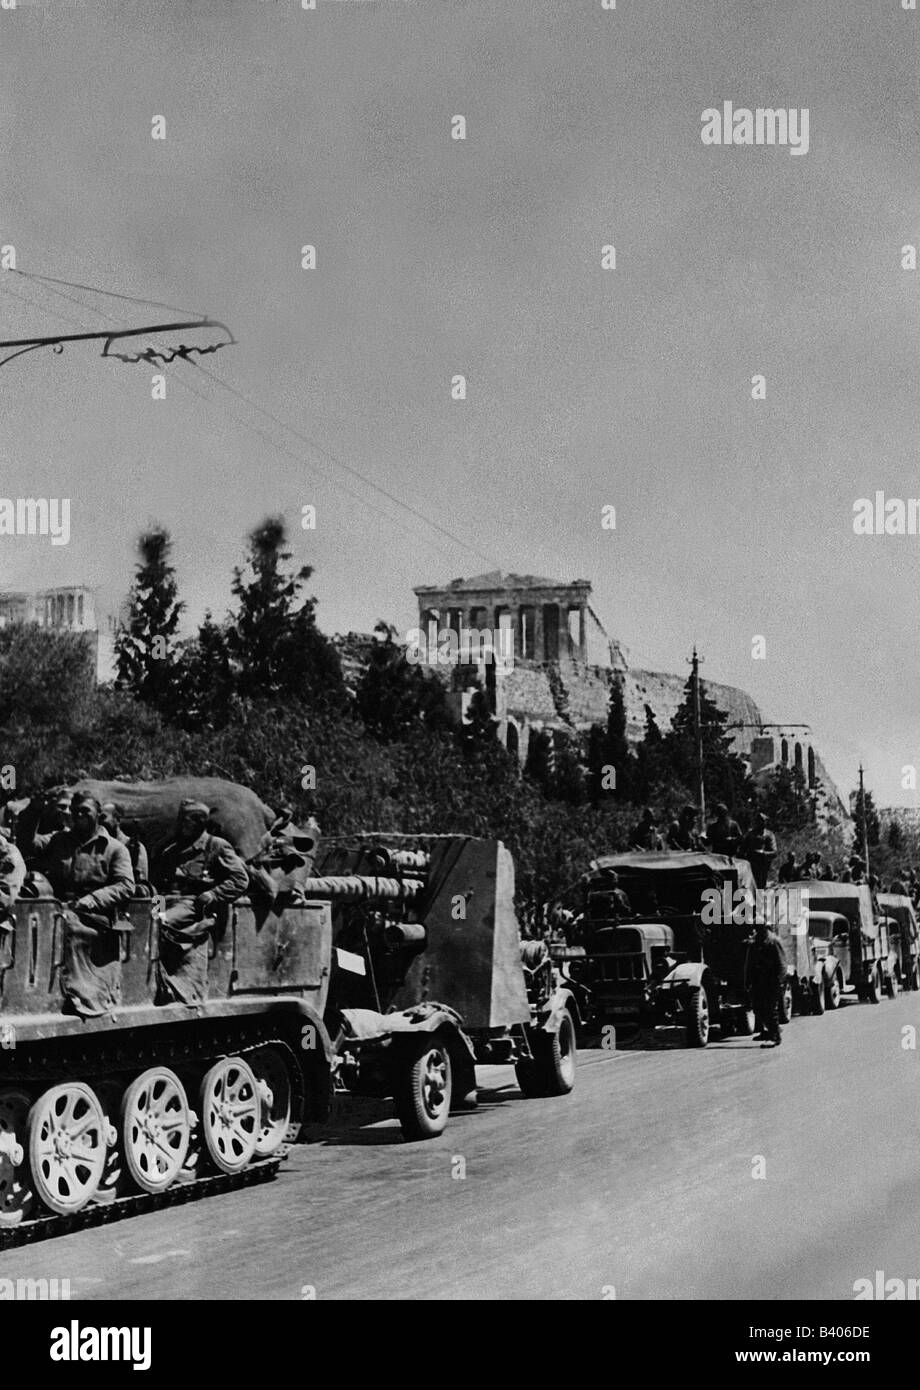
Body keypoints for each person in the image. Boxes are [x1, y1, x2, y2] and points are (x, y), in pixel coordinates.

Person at [35, 793, 135, 1016]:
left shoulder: (115, 848)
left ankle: (78, 993)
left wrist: (91, 901)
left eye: (85, 811)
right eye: (75, 810)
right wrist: (34, 810)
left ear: (98, 816)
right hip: (60, 910)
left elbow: (126, 886)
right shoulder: (59, 840)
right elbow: (28, 843)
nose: (79, 815)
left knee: (66, 925)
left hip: (96, 918)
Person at [151, 798, 249, 1004]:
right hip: (166, 900)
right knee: (147, 921)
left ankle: (175, 984)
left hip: (195, 904)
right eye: (181, 820)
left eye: (187, 821)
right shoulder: (172, 850)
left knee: (161, 923)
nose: (182, 825)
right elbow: (159, 886)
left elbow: (240, 879)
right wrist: (155, 907)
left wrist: (214, 894)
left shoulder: (216, 846)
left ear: (199, 822)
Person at [749, 918, 787, 1047]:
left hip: (771, 980)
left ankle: (775, 1036)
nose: (757, 929)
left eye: (759, 927)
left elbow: (782, 963)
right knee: (758, 1008)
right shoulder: (756, 941)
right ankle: (768, 1031)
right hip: (759, 980)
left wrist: (779, 981)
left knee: (770, 1009)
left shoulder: (773, 941)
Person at [100, 801, 150, 883]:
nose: (99, 822)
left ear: (117, 820)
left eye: (103, 817)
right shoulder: (99, 847)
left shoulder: (134, 848)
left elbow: (142, 885)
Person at [740, 813, 777, 890]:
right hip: (750, 865)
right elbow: (742, 850)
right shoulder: (750, 834)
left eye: (762, 821)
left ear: (765, 822)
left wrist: (762, 853)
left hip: (763, 866)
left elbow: (774, 852)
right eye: (758, 821)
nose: (760, 823)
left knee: (760, 888)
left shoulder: (769, 835)